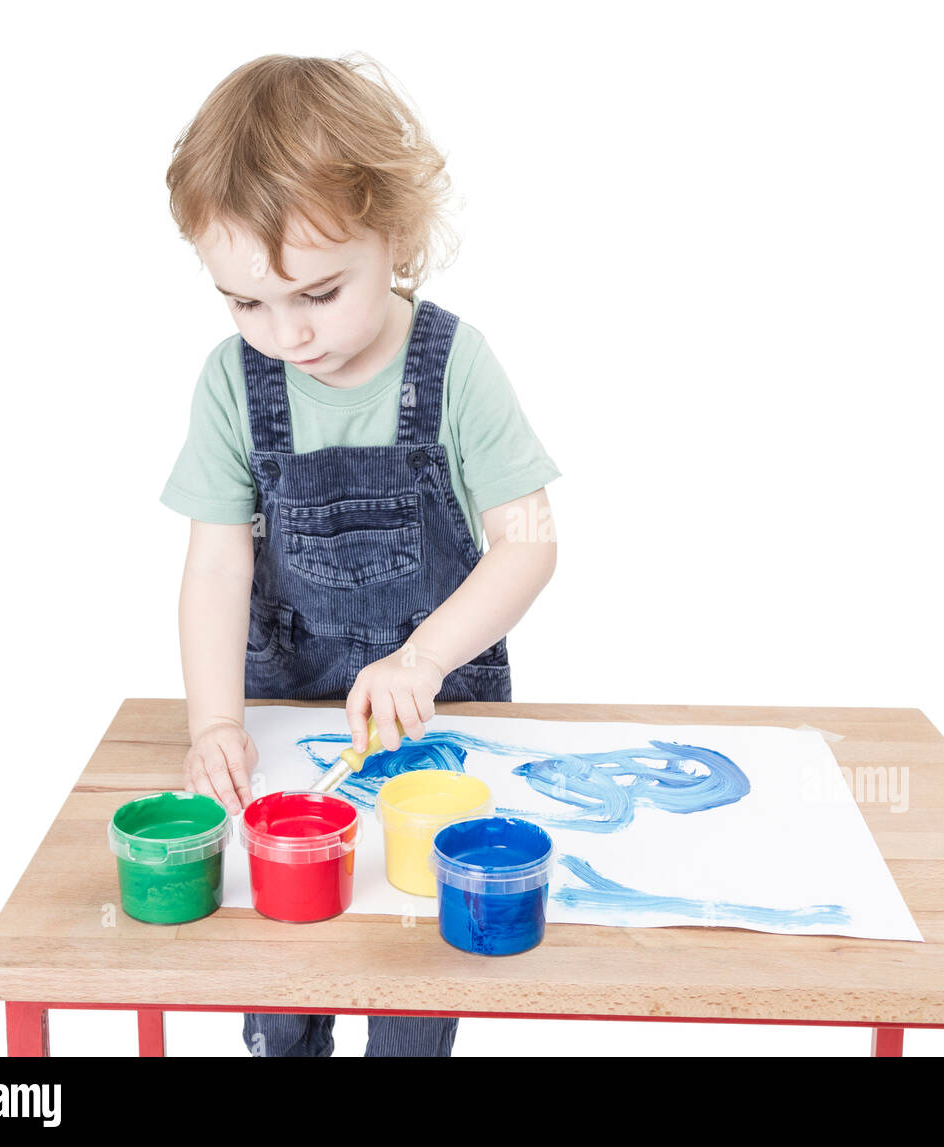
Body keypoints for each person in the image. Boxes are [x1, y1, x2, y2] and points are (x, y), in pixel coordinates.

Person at [159, 53, 560, 1057]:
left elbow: (530, 543)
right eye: (246, 304)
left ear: (397, 233)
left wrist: (421, 655)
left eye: (318, 292)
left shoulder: (457, 364)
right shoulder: (231, 384)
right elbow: (216, 565)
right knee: (284, 970)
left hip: (437, 731)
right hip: (291, 726)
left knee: (412, 962)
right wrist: (212, 718)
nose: (286, 334)